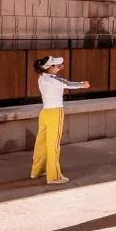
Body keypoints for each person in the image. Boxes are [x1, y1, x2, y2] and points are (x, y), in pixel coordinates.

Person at [31, 56, 91, 185]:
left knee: (41, 142)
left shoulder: (42, 77)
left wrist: (56, 67)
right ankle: (54, 176)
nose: (59, 66)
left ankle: (37, 170)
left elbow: (54, 75)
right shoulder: (54, 79)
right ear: (50, 67)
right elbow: (68, 84)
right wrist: (82, 84)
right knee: (54, 145)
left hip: (45, 112)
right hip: (55, 113)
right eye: (56, 65)